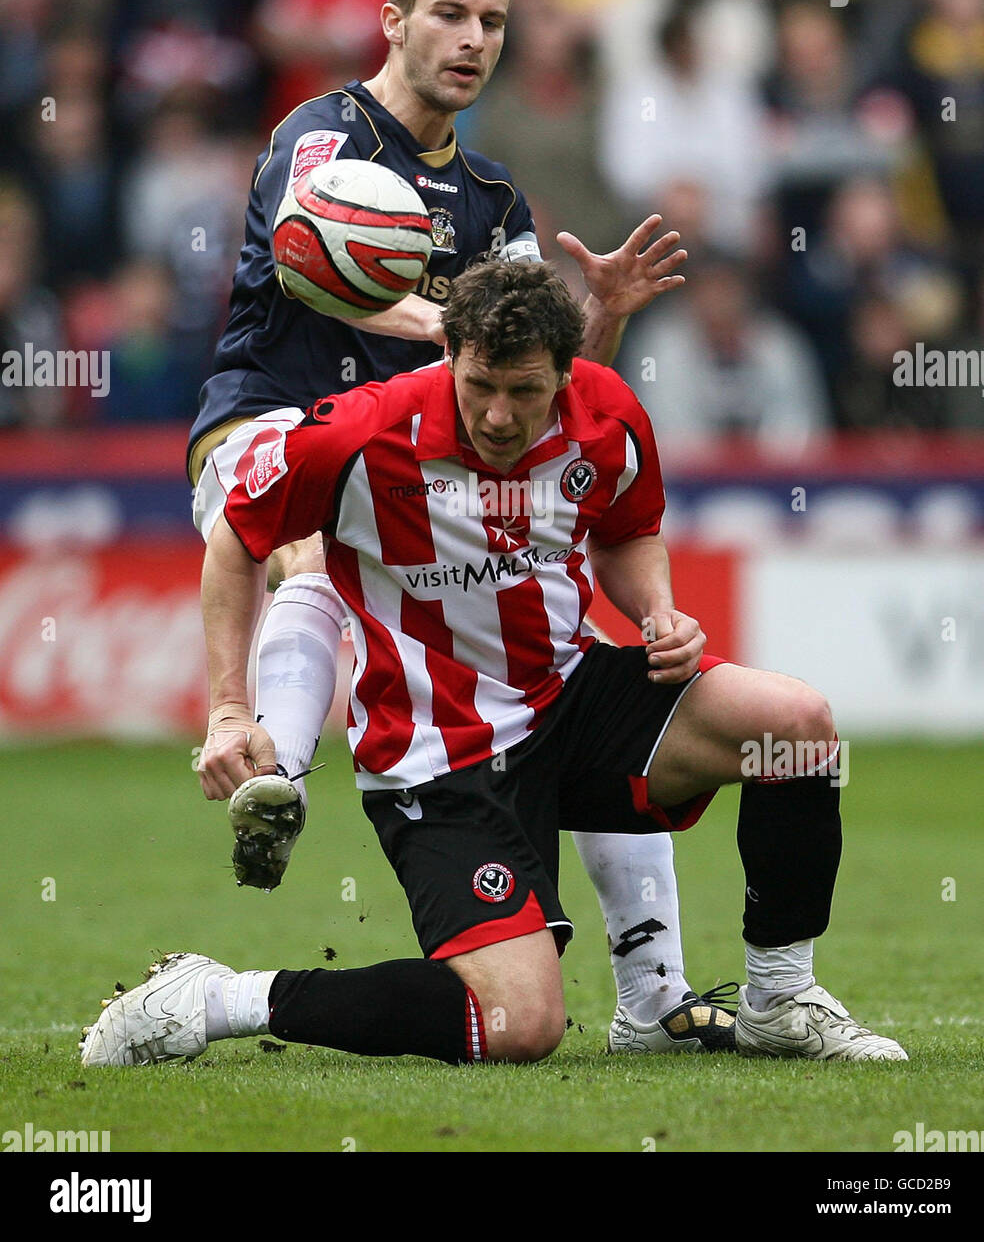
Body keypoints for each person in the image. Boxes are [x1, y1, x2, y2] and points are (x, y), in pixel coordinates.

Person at [81, 260, 907, 1068]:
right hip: (439, 758)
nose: (501, 416)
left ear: (565, 372)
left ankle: (778, 1004)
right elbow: (237, 536)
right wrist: (229, 709)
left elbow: (625, 530)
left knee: (795, 727)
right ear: (450, 358)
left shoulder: (605, 412)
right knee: (518, 1025)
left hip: (569, 699)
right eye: (480, 386)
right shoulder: (361, 433)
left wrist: (655, 610)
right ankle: (215, 998)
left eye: (525, 391)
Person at [185, 0, 726, 1054]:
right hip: (275, 415)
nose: (471, 40)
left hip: (421, 460)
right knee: (305, 554)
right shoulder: (324, 136)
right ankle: (268, 763)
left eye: (490, 22)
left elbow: (550, 375)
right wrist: (451, 326)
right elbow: (308, 263)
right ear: (390, 21)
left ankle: (653, 987)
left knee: (560, 640)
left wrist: (598, 313)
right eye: (446, 15)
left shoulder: (488, 196)